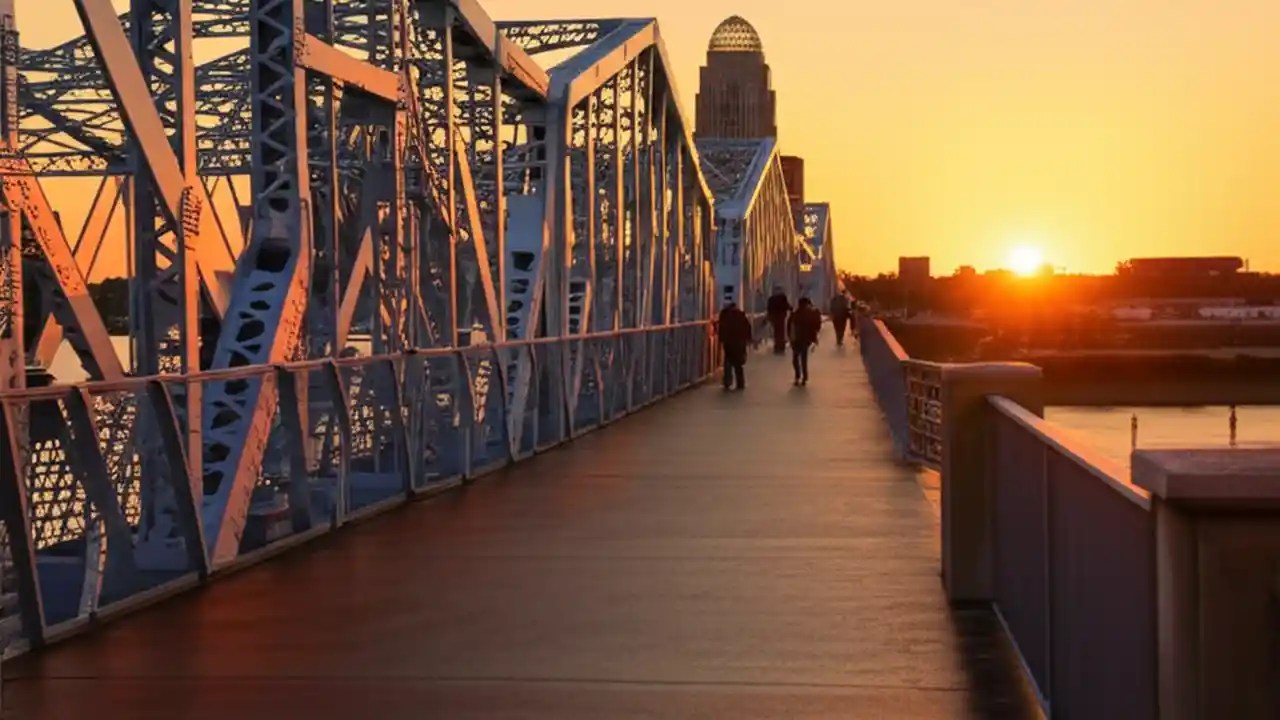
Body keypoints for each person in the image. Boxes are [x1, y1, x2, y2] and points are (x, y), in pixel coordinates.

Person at [717, 301, 753, 390]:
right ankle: (740, 383)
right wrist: (748, 339)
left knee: (728, 361)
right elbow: (747, 327)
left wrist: (722, 339)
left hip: (729, 342)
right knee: (738, 363)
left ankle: (727, 382)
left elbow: (722, 328)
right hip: (740, 341)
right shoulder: (740, 314)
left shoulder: (724, 315)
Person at [787, 297, 823, 385]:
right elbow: (816, 326)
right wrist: (814, 336)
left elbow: (789, 326)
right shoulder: (810, 313)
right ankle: (804, 377)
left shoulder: (795, 314)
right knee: (803, 358)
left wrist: (790, 338)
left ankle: (798, 376)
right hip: (805, 339)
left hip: (796, 339)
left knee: (795, 358)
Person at [766, 286, 792, 354]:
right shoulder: (782, 298)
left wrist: (769, 316)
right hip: (781, 317)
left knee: (776, 333)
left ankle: (777, 347)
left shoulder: (771, 299)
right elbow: (786, 305)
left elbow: (769, 308)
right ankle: (781, 347)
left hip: (774, 318)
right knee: (781, 333)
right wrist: (791, 309)